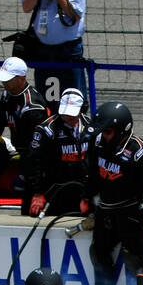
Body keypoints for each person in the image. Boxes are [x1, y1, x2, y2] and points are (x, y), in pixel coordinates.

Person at [82, 102, 143, 285]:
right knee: (98, 254)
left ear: (122, 130)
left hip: (130, 214)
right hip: (104, 212)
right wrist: (86, 198)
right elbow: (91, 173)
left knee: (134, 260)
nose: (104, 135)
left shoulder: (140, 153)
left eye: (108, 132)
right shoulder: (98, 143)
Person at [20, 0, 88, 104]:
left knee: (73, 100)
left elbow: (75, 16)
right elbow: (26, 7)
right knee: (46, 99)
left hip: (68, 50)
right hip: (43, 49)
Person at [0, 56, 50, 212]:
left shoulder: (32, 107)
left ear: (21, 78)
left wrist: (24, 174)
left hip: (36, 154)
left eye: (8, 79)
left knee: (27, 198)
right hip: (19, 146)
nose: (4, 82)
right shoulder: (8, 92)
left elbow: (35, 148)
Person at [25, 88, 91, 218]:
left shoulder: (90, 126)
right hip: (54, 188)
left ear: (82, 109)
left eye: (73, 113)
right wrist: (38, 193)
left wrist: (89, 195)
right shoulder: (46, 130)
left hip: (81, 187)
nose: (68, 117)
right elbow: (33, 162)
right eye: (65, 113)